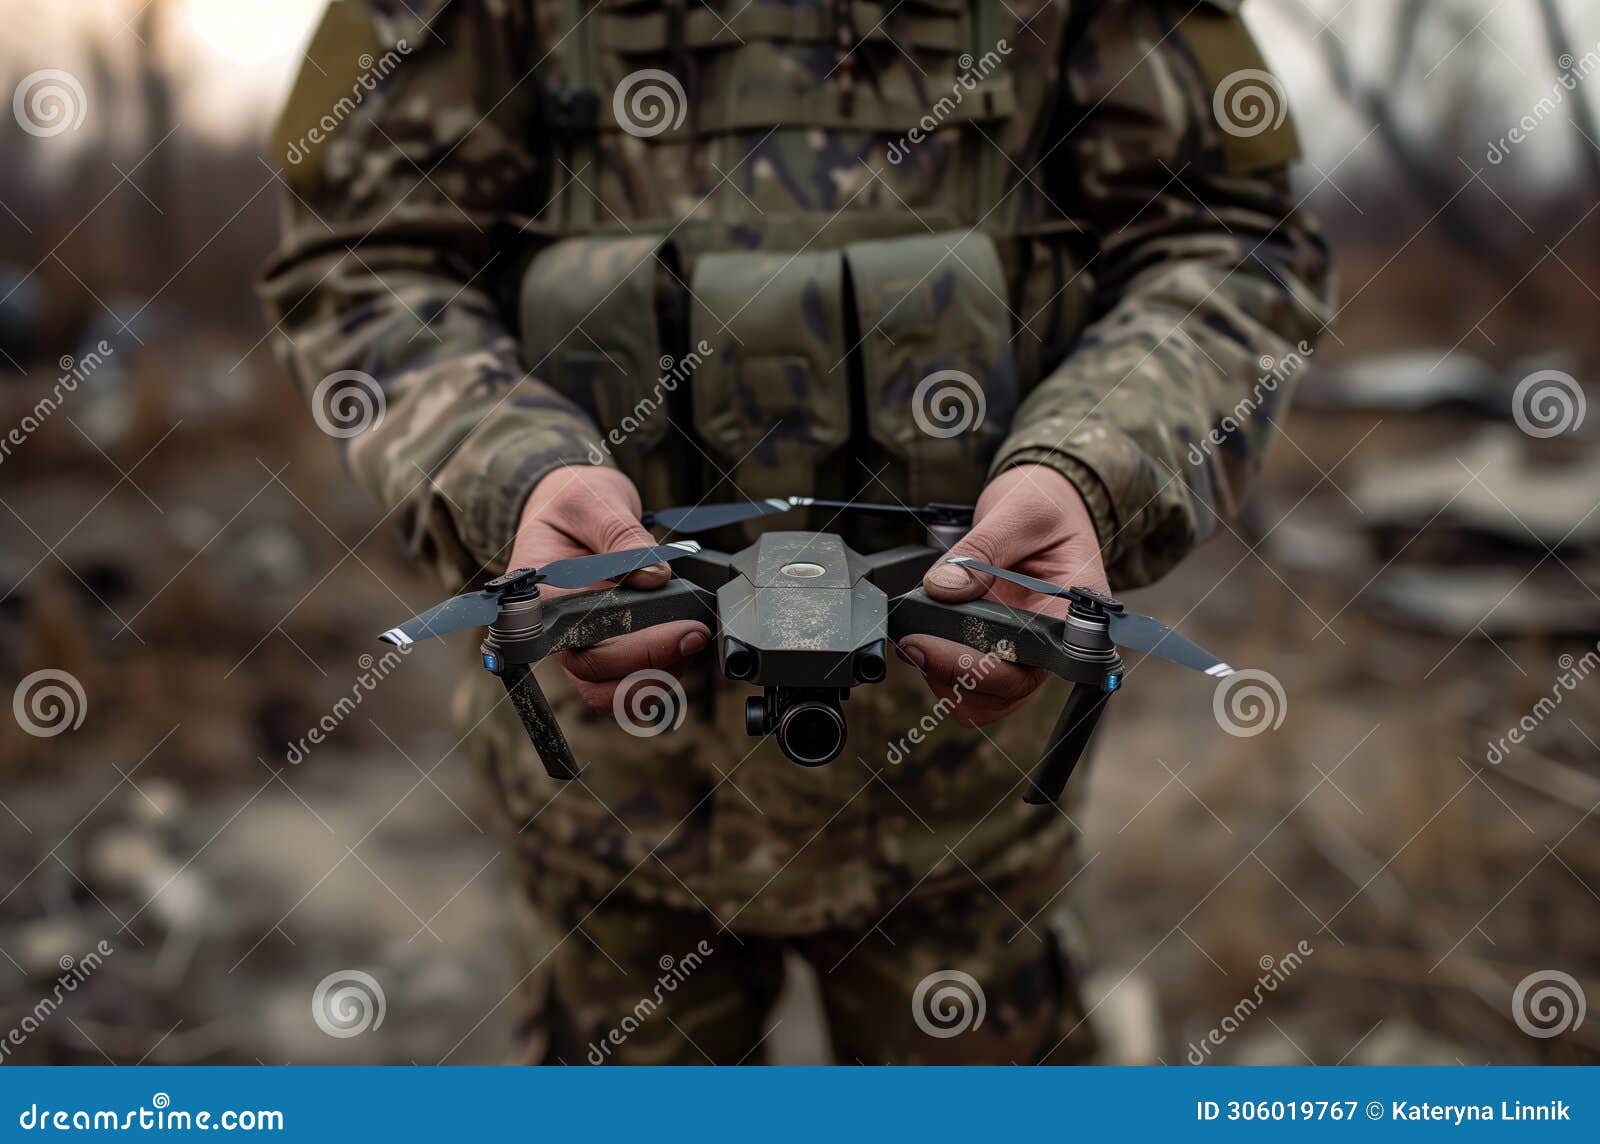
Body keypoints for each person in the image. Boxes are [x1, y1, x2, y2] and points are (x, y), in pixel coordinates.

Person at [262, 0, 1332, 1063]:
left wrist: (1088, 467)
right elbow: (364, 261)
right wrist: (514, 472)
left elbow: (1229, 247)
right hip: (610, 795)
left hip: (966, 781)